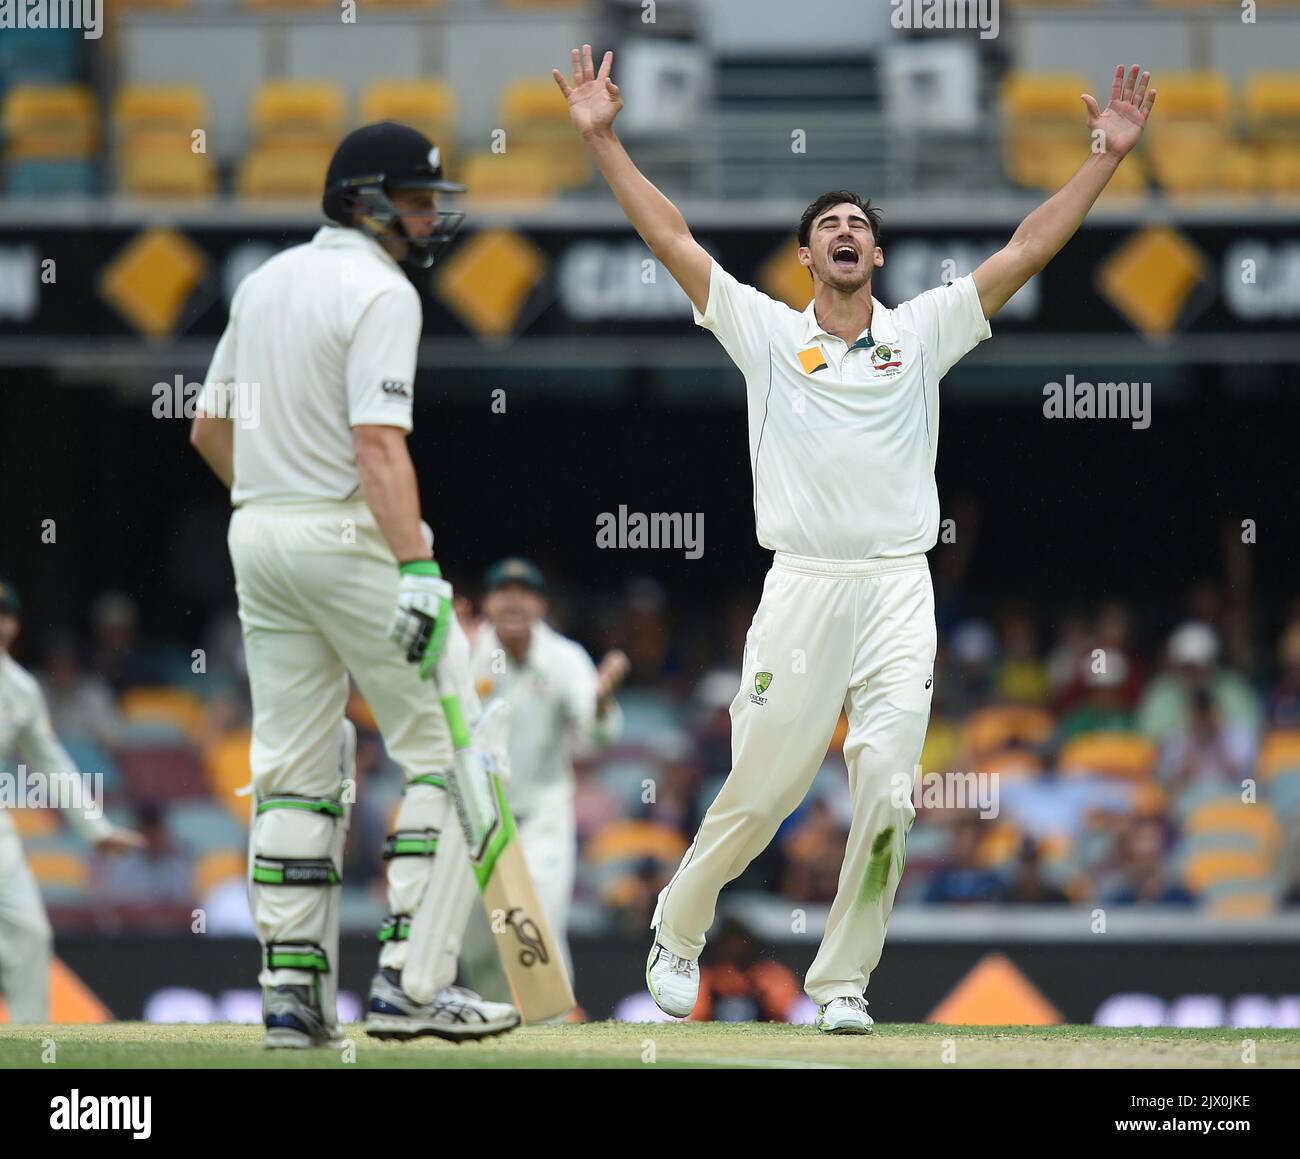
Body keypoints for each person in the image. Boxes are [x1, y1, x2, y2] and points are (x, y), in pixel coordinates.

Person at [554, 44, 1157, 1032]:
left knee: (887, 789)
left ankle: (840, 984)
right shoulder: (761, 330)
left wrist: (1103, 158)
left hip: (894, 588)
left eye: (858, 226)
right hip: (800, 586)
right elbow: (668, 236)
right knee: (765, 787)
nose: (844, 232)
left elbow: (1024, 251)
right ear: (805, 257)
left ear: (876, 257)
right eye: (828, 224)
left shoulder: (919, 332)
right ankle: (679, 919)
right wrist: (602, 138)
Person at [190, 121, 518, 1048]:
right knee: (454, 744)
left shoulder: (262, 283)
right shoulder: (380, 291)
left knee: (294, 767)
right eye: (415, 200)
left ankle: (293, 998)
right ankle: (413, 982)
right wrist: (415, 564)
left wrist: (277, 504)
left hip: (256, 533)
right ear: (364, 202)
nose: (427, 217)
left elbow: (208, 429)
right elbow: (378, 445)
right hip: (347, 533)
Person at [462, 558, 627, 1002]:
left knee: (537, 921)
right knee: (478, 943)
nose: (513, 599)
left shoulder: (565, 658)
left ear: (542, 604)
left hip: (542, 815)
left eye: (524, 591)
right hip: (476, 817)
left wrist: (602, 702)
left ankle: (553, 1031)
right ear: (486, 603)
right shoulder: (466, 651)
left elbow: (598, 733)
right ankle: (497, 1031)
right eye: (503, 590)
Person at [0, 578, 142, 1022]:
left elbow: (51, 762)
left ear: (14, 626)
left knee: (31, 934)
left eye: (5, 615)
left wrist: (95, 829)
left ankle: (26, 1049)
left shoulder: (20, 688)